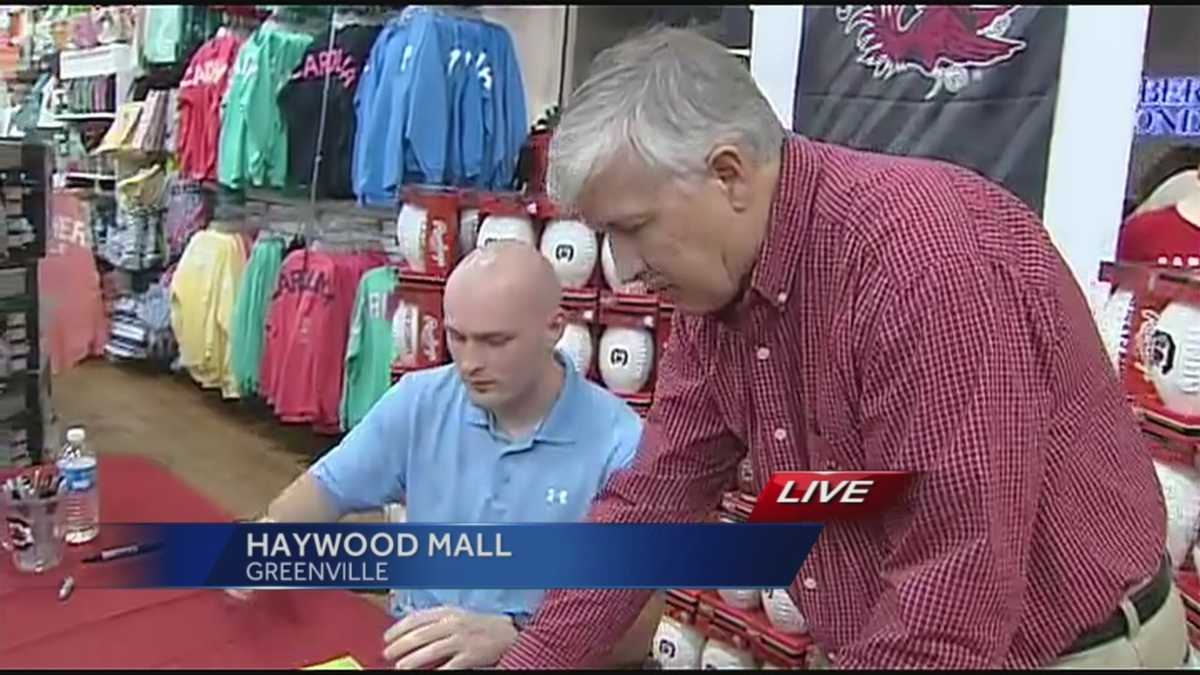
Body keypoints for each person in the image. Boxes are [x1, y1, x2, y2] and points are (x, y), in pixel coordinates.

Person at [497, 27, 1186, 669]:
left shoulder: (921, 269)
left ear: (729, 173)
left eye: (633, 227)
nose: (621, 267)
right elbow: (648, 509)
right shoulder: (719, 294)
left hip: (1062, 653)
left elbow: (955, 583)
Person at [231, 242, 662, 669]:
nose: (471, 362)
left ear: (555, 327)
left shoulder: (623, 445)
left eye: (496, 341)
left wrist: (517, 636)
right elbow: (324, 490)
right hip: (416, 655)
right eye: (458, 337)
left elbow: (638, 628)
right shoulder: (420, 401)